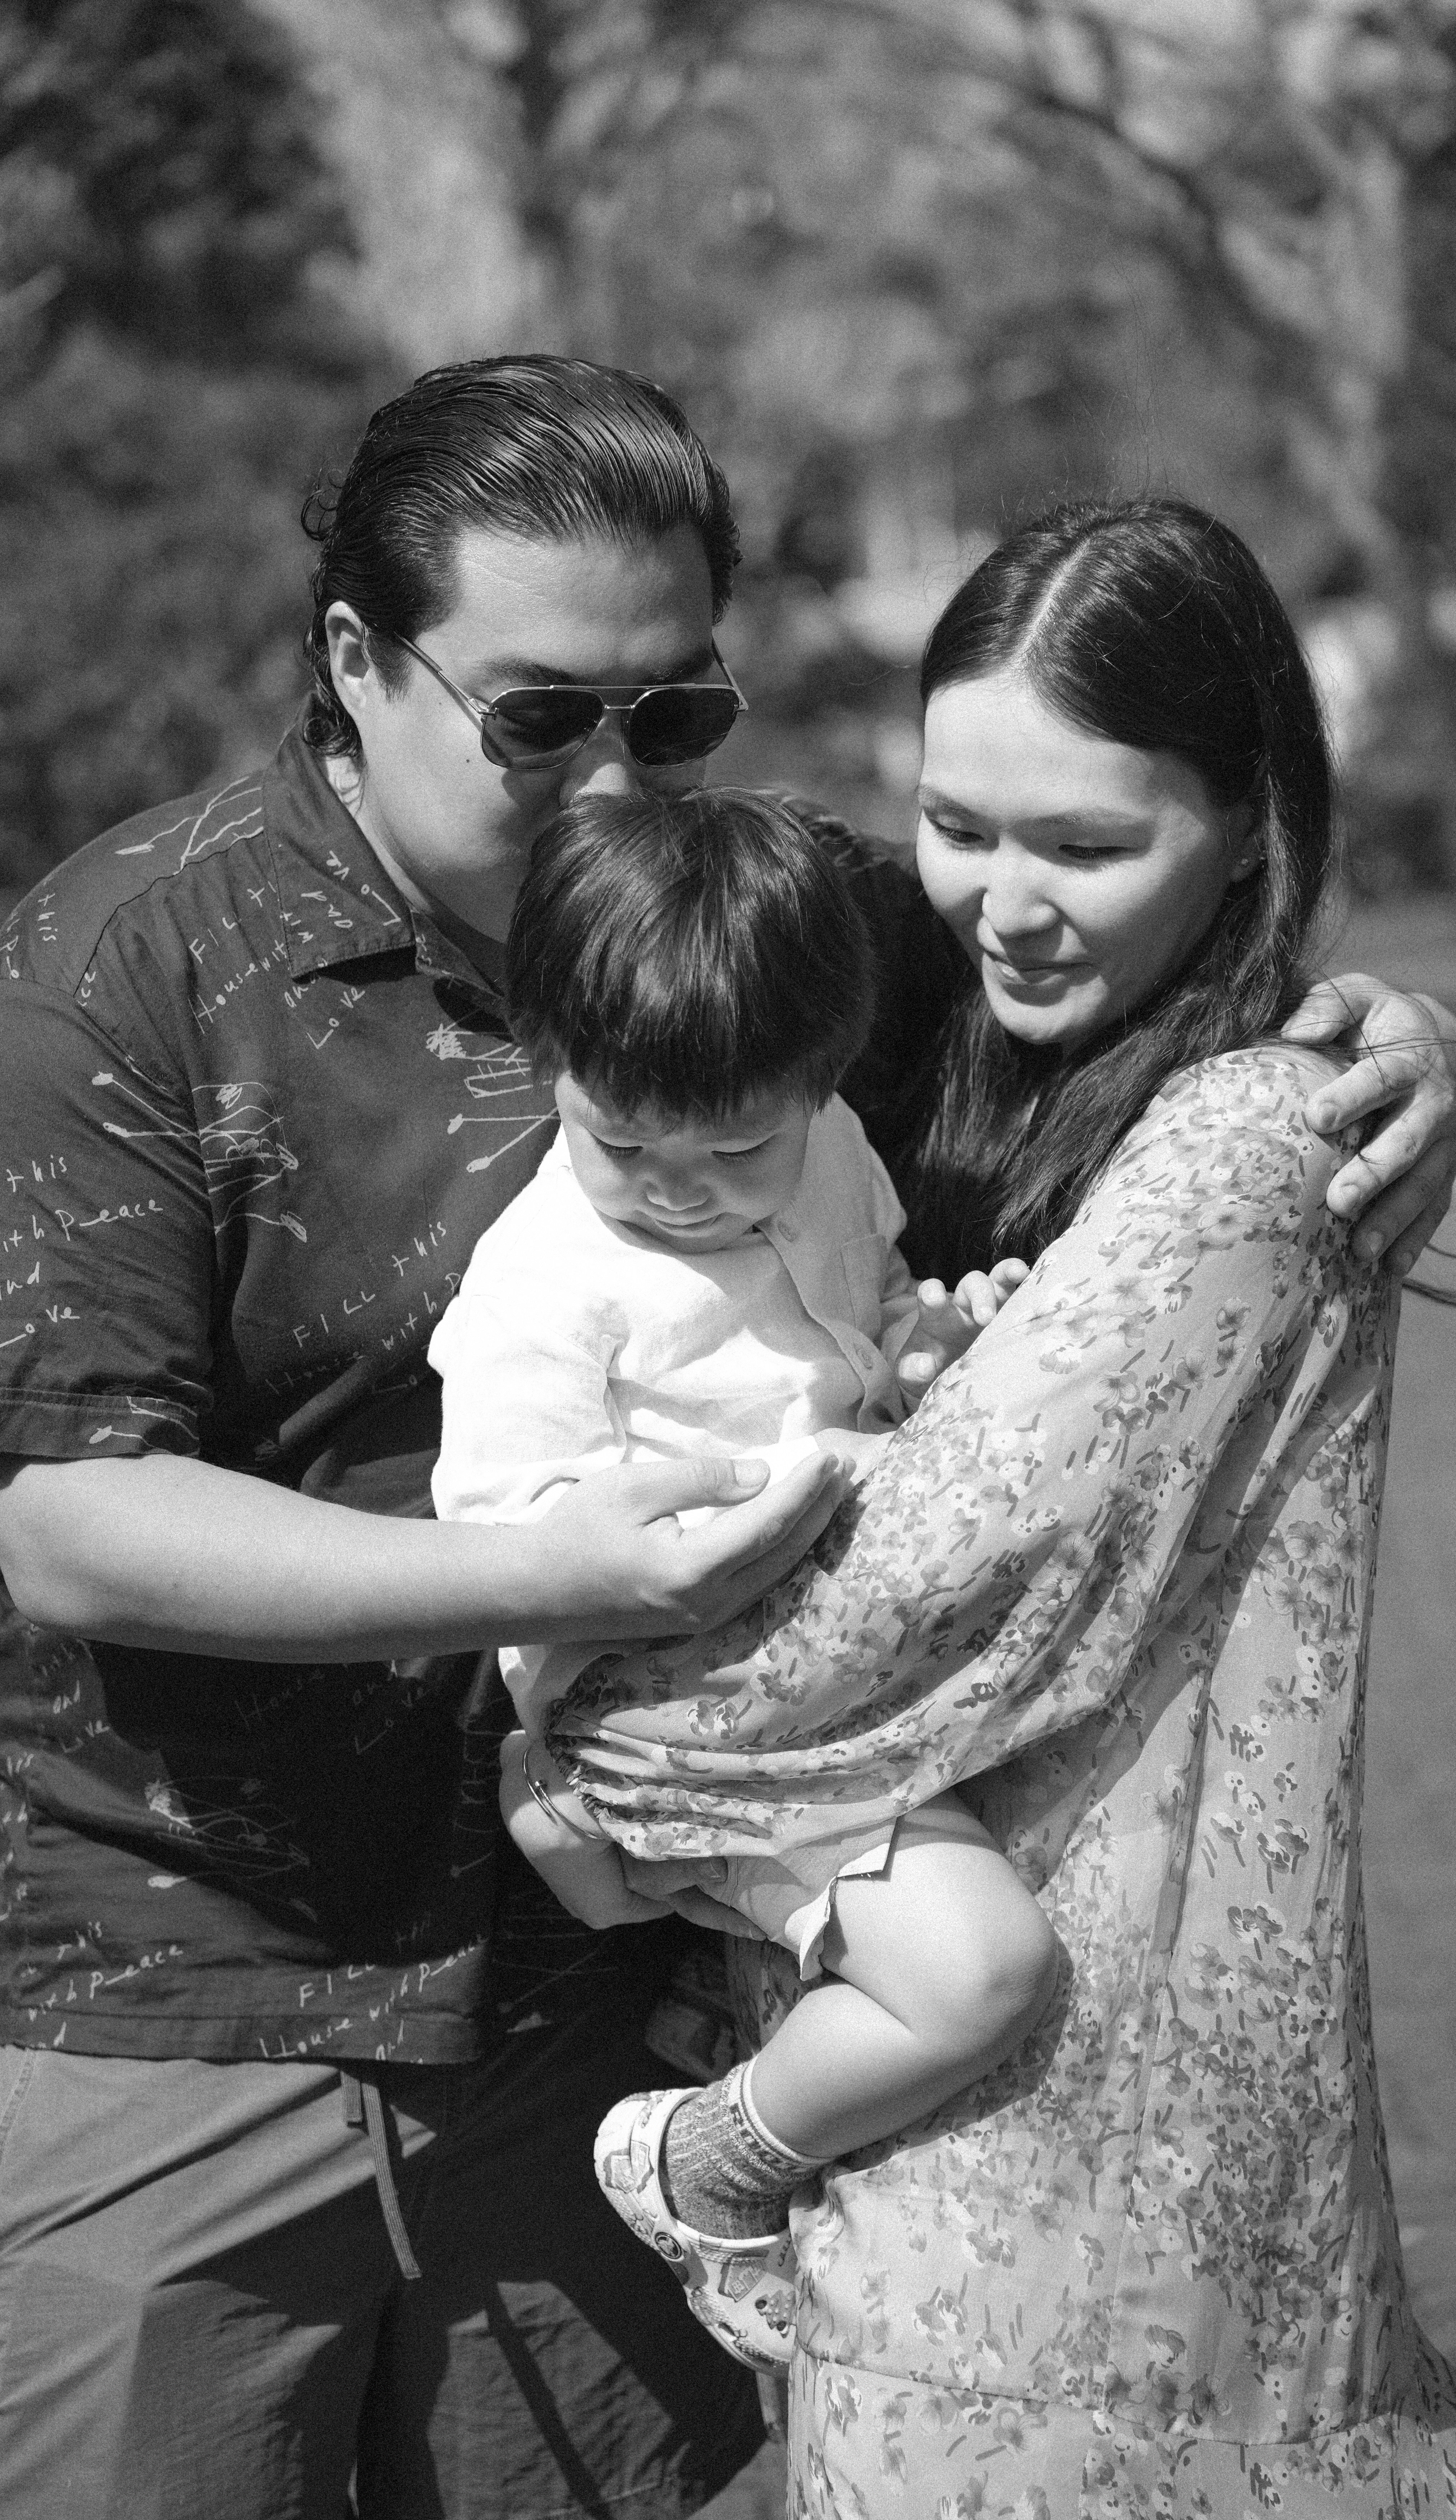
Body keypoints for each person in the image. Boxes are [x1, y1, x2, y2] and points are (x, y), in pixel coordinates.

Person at [0, 355, 1456, 2520]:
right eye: (544, 718)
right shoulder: (124, 965)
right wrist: (571, 1579)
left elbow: (1099, 957)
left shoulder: (791, 919)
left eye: (680, 713)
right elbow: (69, 1523)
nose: (620, 778)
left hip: (608, 2023)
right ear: (357, 661)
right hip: (196, 2008)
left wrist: (1372, 1024)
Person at [547, 498, 1456, 2512]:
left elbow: (919, 1593)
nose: (1003, 902)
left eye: (1088, 844)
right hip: (966, 2157)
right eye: (963, 822)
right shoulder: (940, 1046)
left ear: (1249, 821)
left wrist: (572, 1713)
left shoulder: (1246, 1131)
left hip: (1071, 2184)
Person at [430, 785, 1053, 2368]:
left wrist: (920, 1343)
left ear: (824, 1080)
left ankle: (693, 1938)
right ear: (547, 1063)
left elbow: (870, 1310)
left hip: (829, 1647)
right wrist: (802, 1486)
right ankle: (709, 2160)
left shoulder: (833, 1149)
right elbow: (501, 1540)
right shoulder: (540, 1287)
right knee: (982, 1969)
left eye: (736, 1149)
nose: (680, 1190)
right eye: (621, 1142)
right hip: (683, 1690)